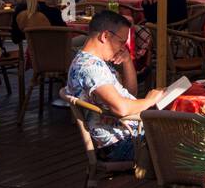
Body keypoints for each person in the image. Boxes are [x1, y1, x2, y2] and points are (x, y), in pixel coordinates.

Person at [66, 10, 163, 160]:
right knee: (192, 143)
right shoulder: (90, 68)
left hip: (130, 134)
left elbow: (130, 94)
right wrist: (151, 100)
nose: (123, 47)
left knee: (193, 137)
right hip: (120, 143)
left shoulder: (95, 62)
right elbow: (121, 108)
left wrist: (127, 61)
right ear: (105, 36)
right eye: (121, 42)